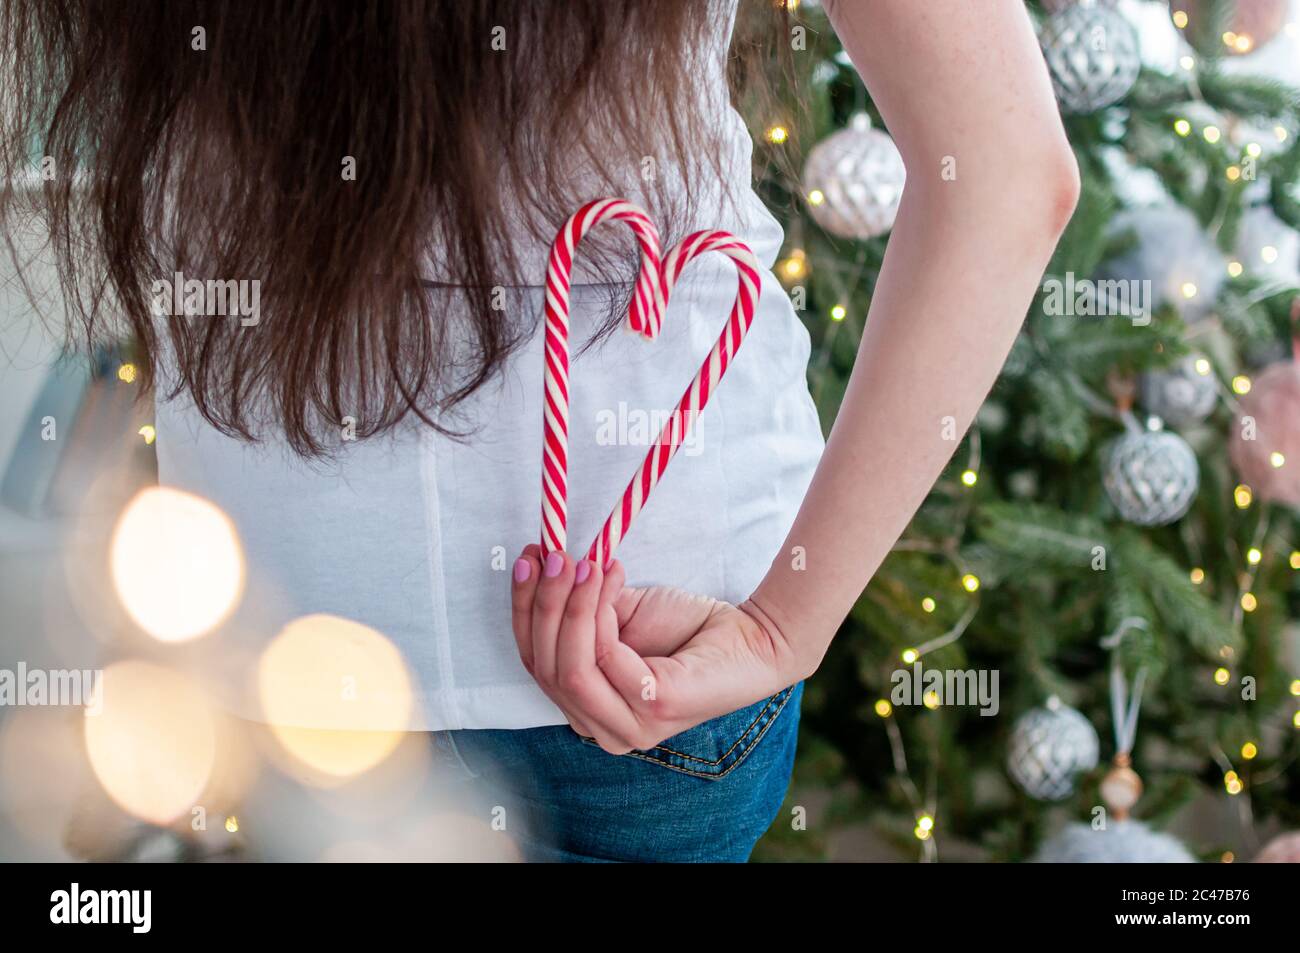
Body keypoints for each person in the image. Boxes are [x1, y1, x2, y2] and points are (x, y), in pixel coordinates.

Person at [1, 0, 1078, 862]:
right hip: (649, 640)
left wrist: (776, 630)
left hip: (308, 627)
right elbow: (1006, 169)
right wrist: (784, 620)